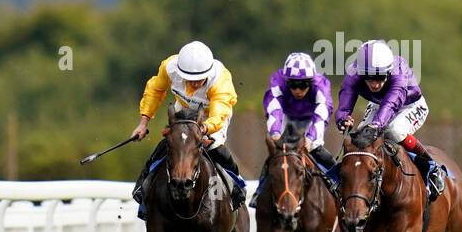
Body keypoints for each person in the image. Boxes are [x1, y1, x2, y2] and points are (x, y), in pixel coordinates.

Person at [130, 40, 245, 211]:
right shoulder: (169, 67)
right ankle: (144, 186)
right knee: (171, 144)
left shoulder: (220, 80)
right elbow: (155, 91)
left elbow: (219, 114)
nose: (195, 84)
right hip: (183, 110)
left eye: (199, 79)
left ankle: (236, 187)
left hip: (211, 116)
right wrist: (143, 122)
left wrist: (203, 130)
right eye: (190, 80)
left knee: (214, 147)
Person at [334, 39, 445, 199]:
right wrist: (343, 119)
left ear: (388, 72)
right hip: (379, 104)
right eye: (368, 77)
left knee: (394, 131)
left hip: (410, 105)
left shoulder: (398, 72)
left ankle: (432, 167)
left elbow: (391, 104)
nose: (374, 84)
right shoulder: (354, 72)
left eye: (380, 77)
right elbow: (344, 102)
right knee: (358, 139)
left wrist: (376, 126)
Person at [250, 52, 337, 206]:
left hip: (312, 118)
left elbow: (321, 115)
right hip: (286, 117)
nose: (297, 90)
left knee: (316, 148)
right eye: (293, 84)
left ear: (311, 82)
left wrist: (310, 139)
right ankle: (260, 192)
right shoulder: (278, 81)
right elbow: (274, 110)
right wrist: (275, 133)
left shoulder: (321, 85)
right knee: (277, 152)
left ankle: (339, 185)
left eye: (303, 84)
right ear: (286, 82)